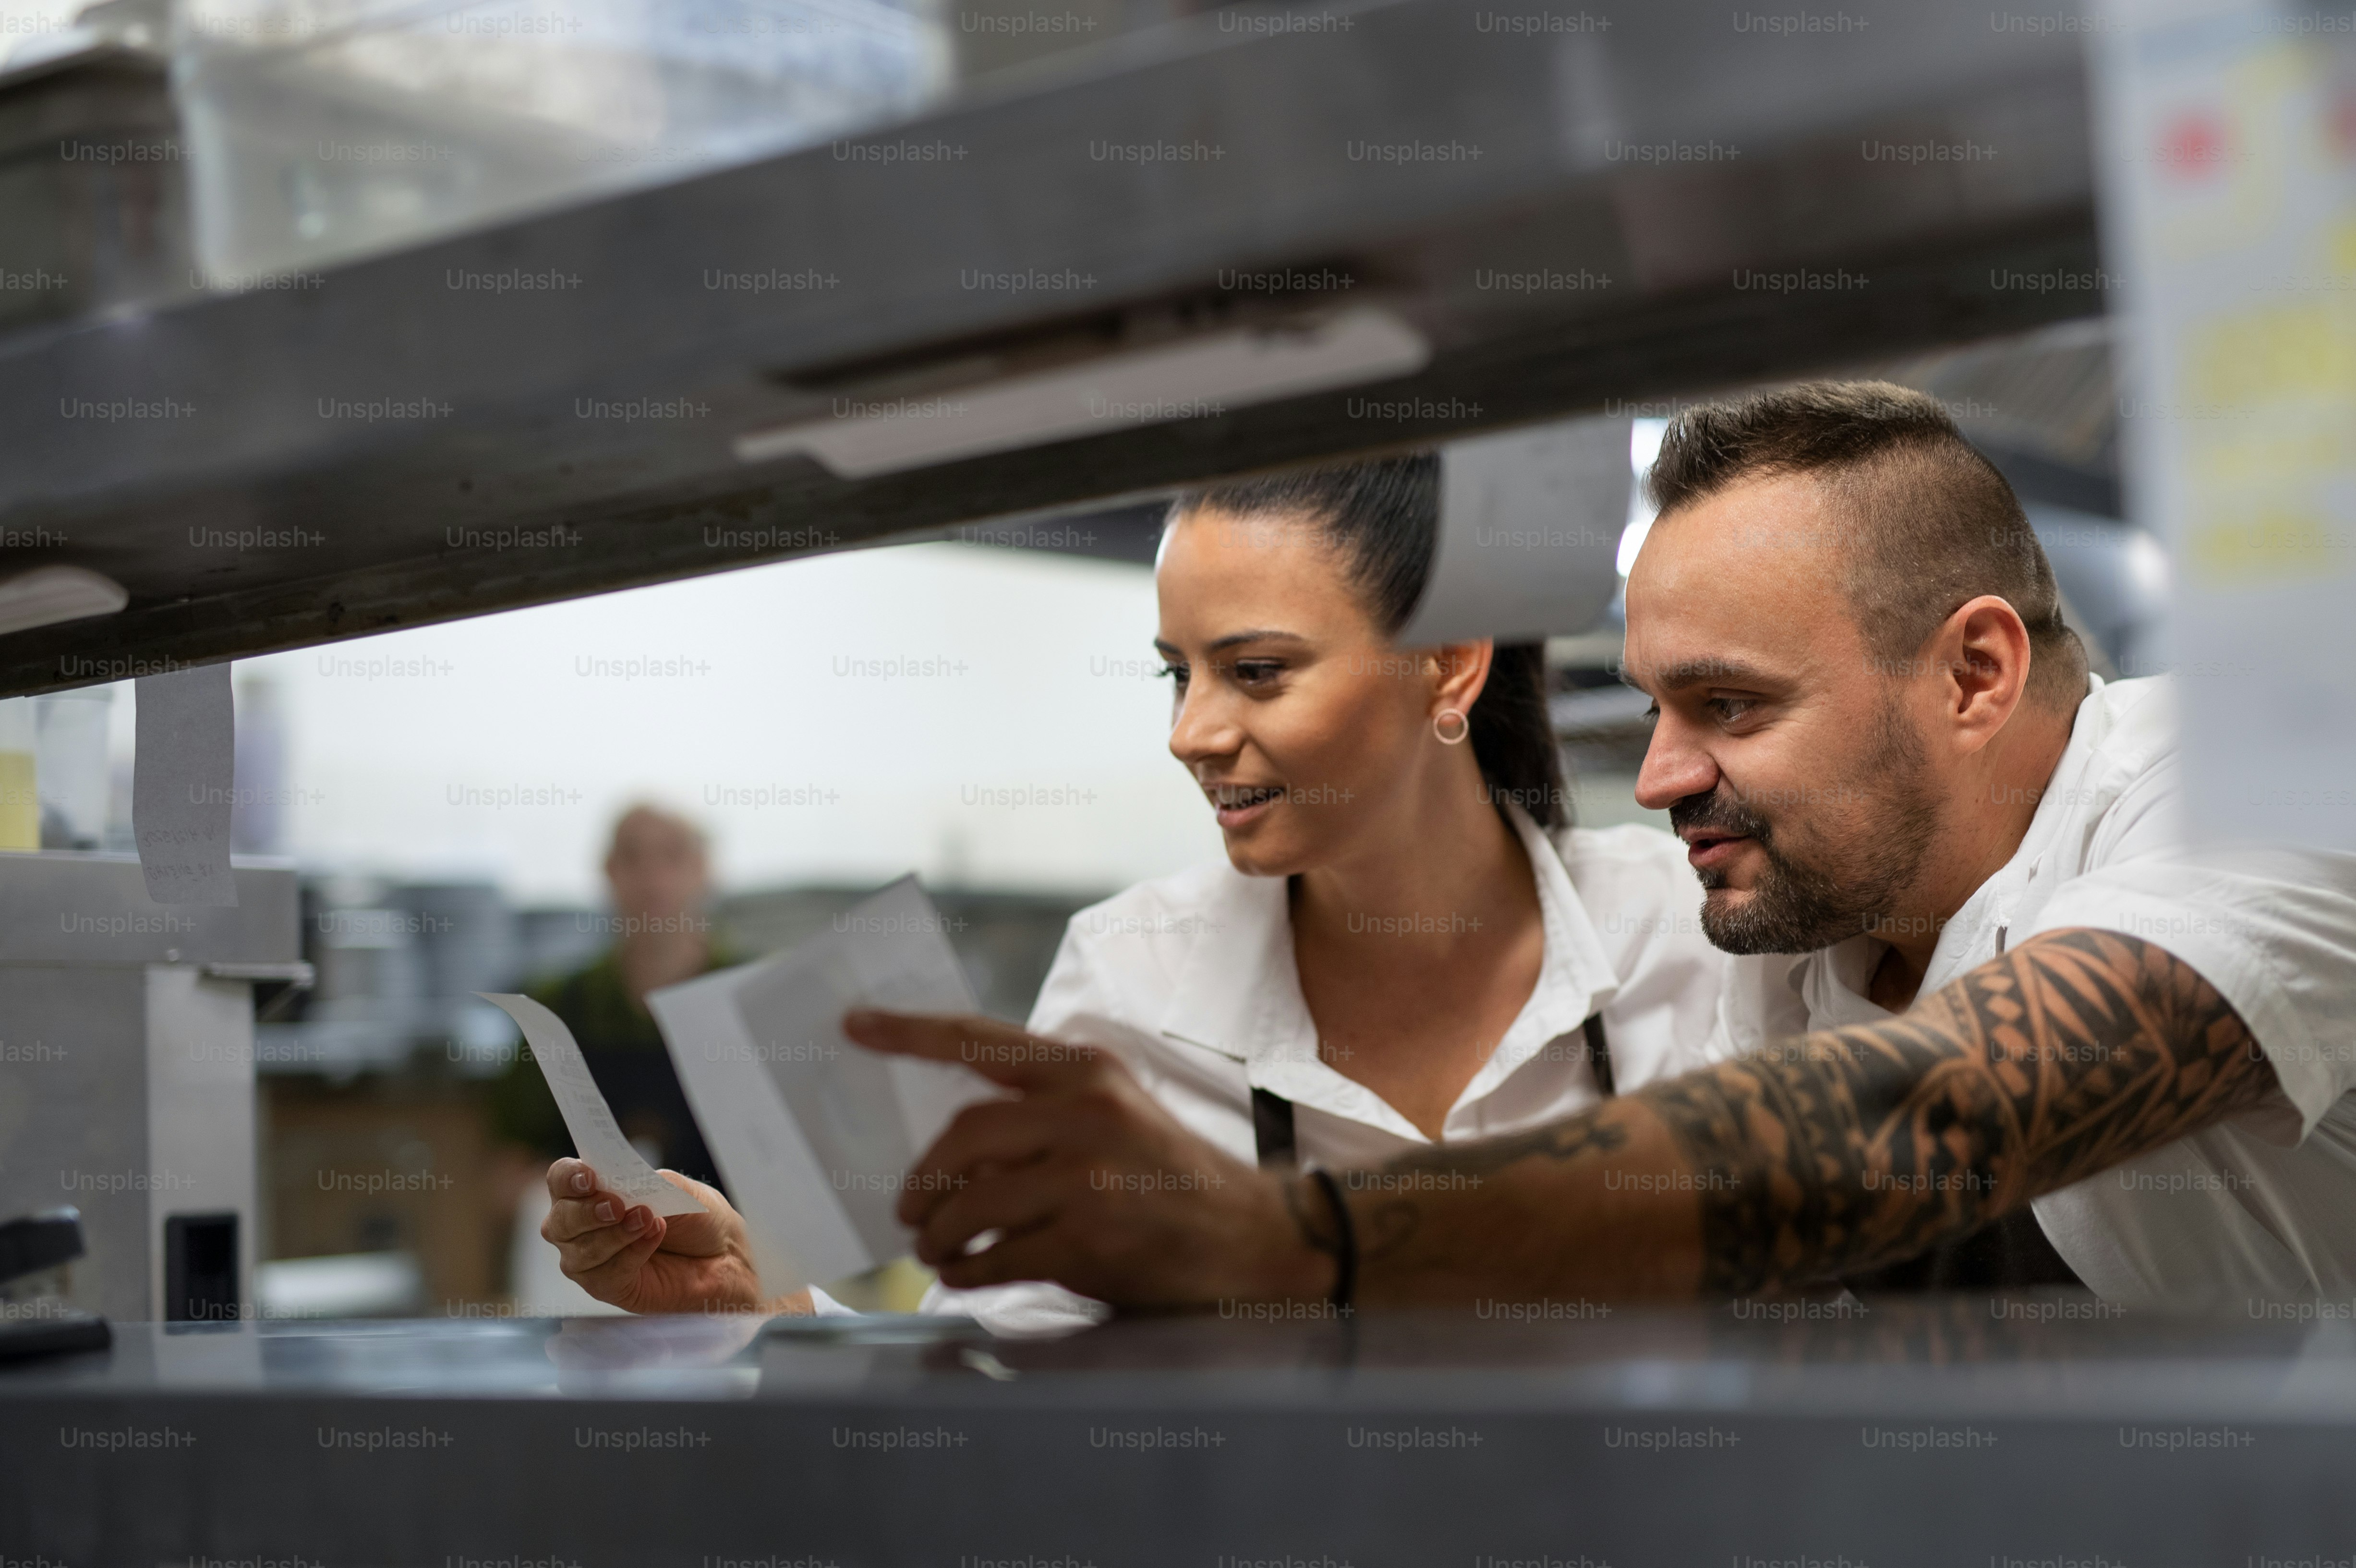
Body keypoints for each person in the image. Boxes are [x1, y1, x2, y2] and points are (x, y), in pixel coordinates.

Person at [838, 378, 2356, 1311]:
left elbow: (1930, 1118)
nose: (1657, 780)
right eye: (1651, 705)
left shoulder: (2293, 767)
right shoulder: (1819, 940)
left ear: (1975, 668)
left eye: (1730, 707)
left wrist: (1289, 1242)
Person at [538, 454, 1757, 1319]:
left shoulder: (1695, 939)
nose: (1191, 732)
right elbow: (1009, 1393)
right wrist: (761, 1306)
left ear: (1446, 666)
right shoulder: (1131, 977)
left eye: (1257, 672)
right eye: (1176, 675)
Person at [491, 804, 737, 1193]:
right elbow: (510, 1165)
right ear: (608, 871)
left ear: (706, 870)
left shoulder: (747, 996)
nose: (652, 878)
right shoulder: (559, 1006)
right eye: (633, 857)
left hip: (736, 1245)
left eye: (672, 856)